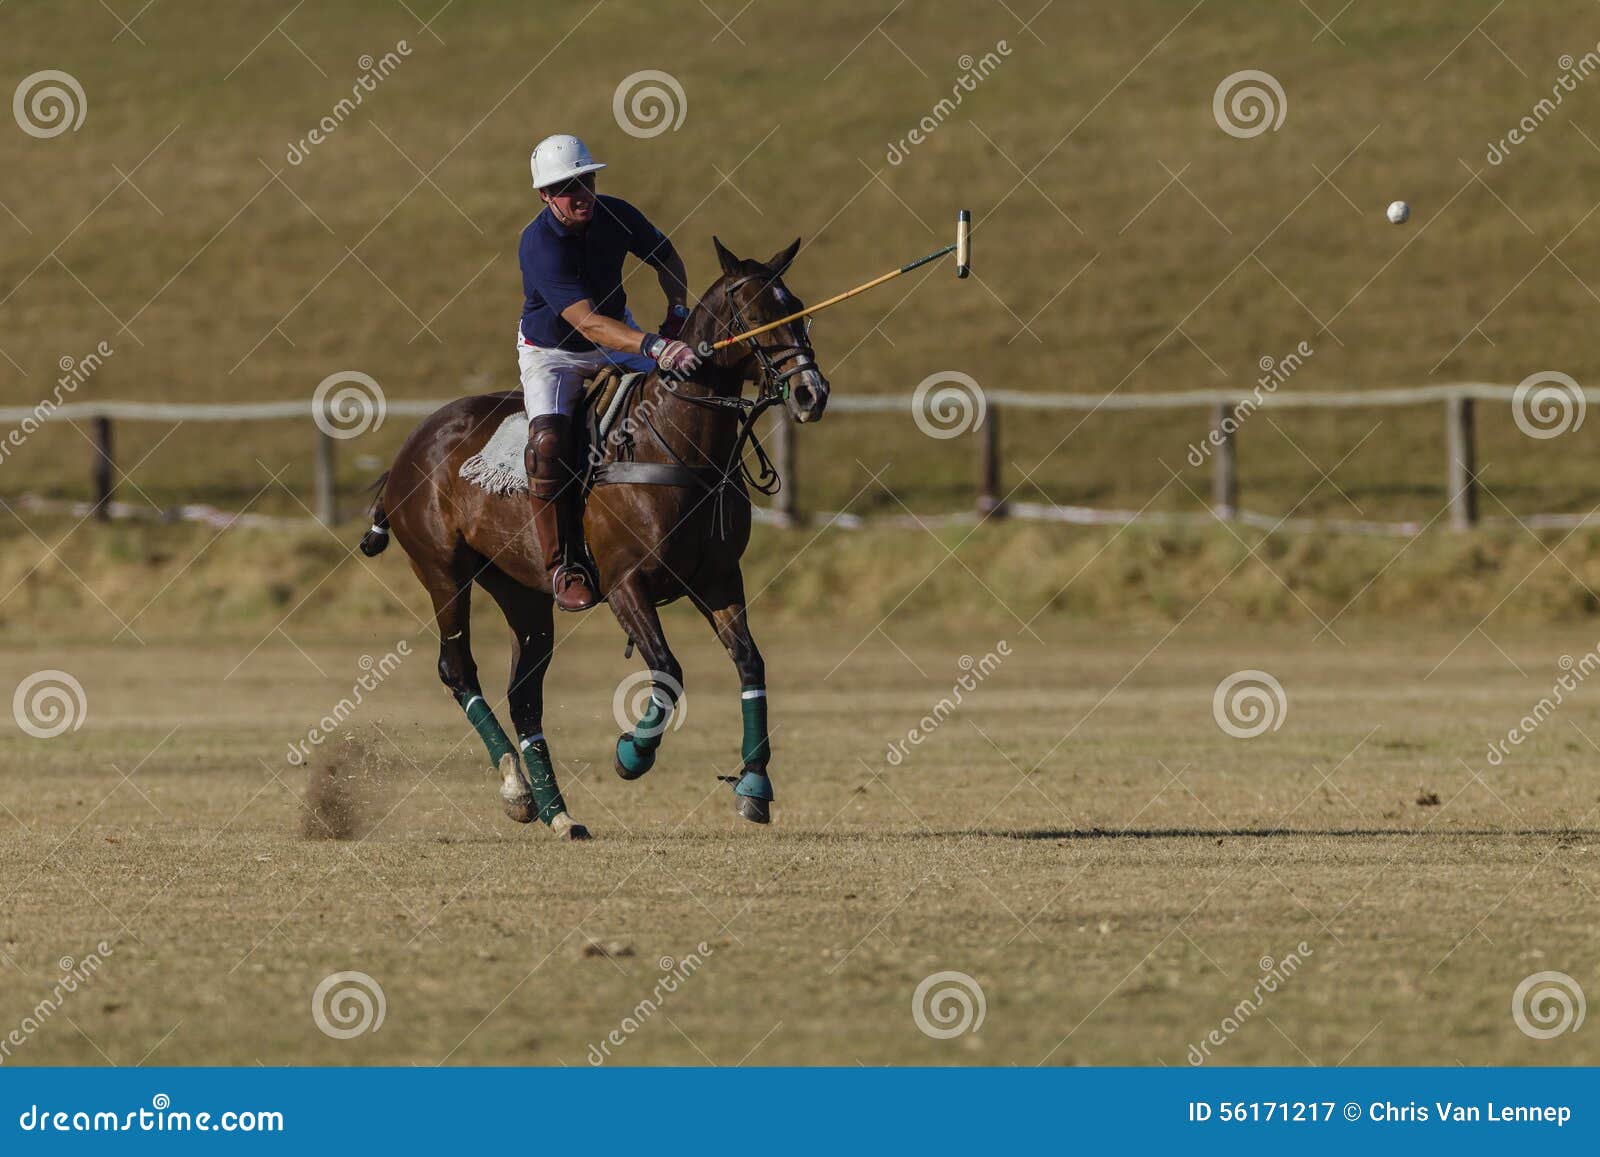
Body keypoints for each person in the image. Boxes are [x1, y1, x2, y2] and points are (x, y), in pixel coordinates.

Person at [518, 133, 700, 611]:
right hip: (553, 354)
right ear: (545, 196)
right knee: (547, 445)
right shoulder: (539, 244)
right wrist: (656, 345)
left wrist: (678, 311)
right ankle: (561, 566)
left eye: (586, 181)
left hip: (618, 334)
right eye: (566, 188)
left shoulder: (616, 213)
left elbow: (667, 258)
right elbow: (587, 323)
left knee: (689, 388)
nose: (581, 194)